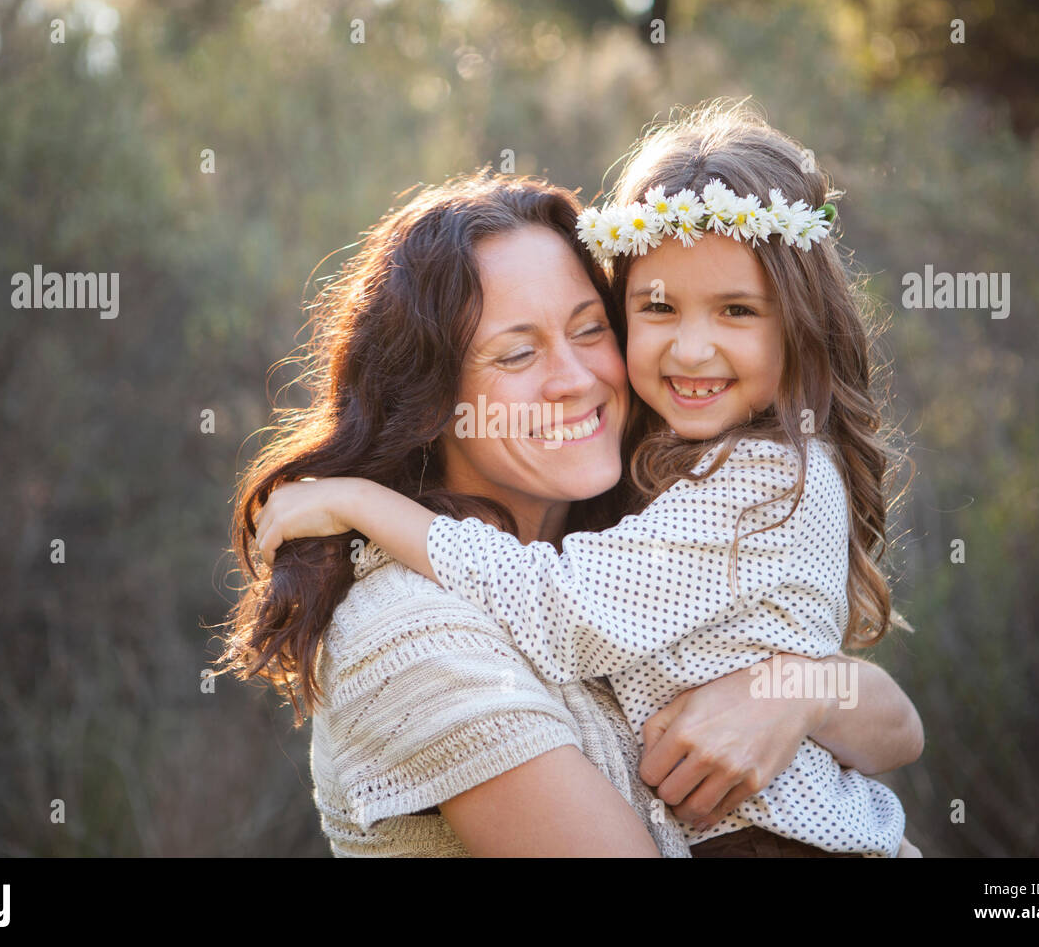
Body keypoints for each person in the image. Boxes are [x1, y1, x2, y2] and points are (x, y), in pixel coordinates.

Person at [234, 165, 924, 857]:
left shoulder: (659, 517)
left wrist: (790, 696)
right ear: (428, 398)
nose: (574, 378)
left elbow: (898, 726)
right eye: (517, 354)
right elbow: (553, 605)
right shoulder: (412, 634)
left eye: (591, 330)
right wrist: (364, 502)